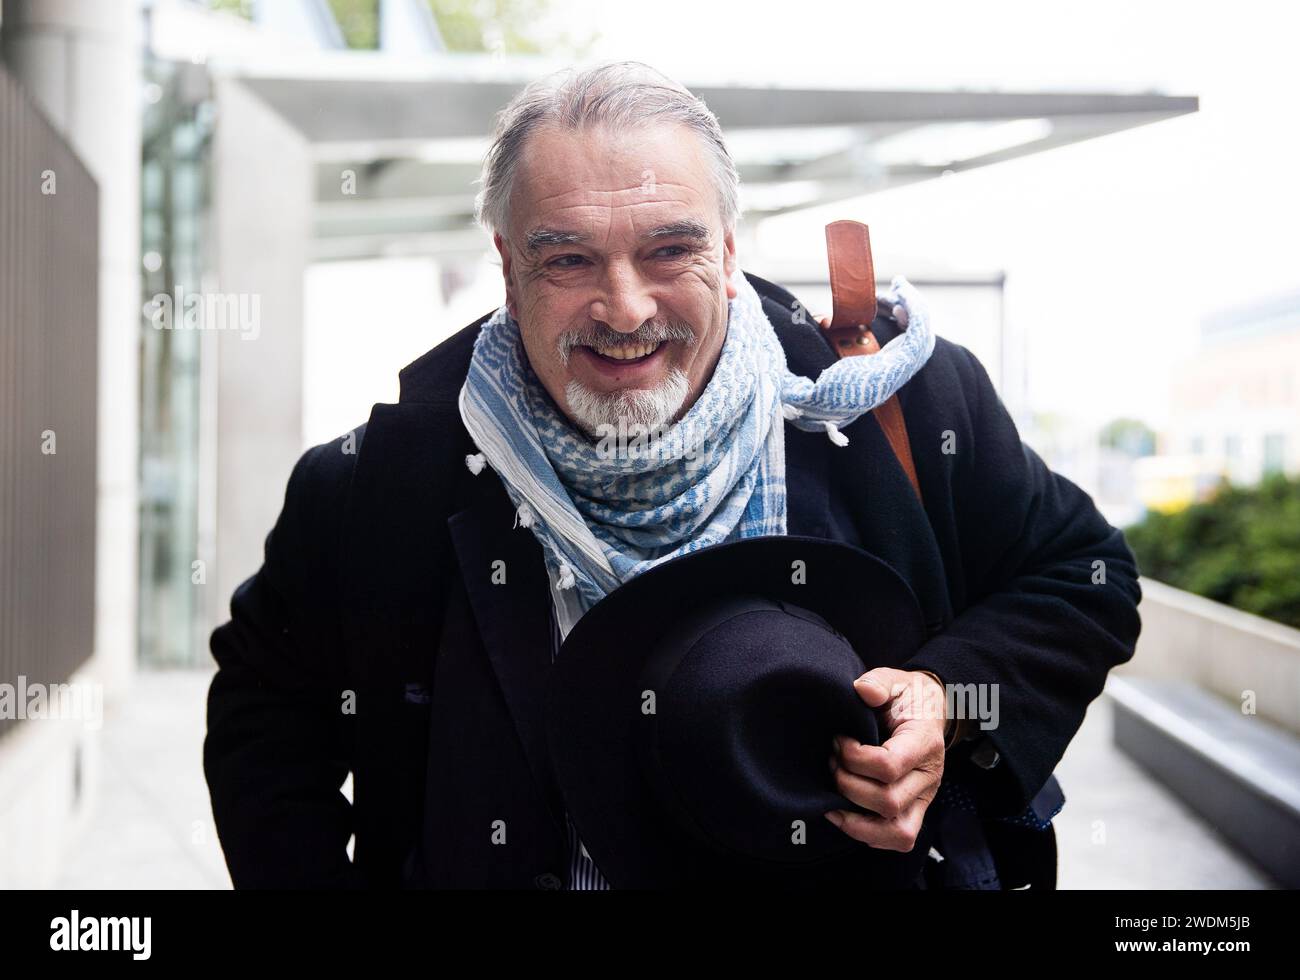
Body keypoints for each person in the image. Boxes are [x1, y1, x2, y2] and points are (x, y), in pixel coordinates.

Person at [203, 60, 1142, 890]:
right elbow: (263, 711)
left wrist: (949, 698)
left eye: (669, 249)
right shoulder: (379, 483)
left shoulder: (907, 411)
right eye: (568, 258)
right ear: (506, 267)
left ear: (730, 250)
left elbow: (1084, 578)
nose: (624, 307)